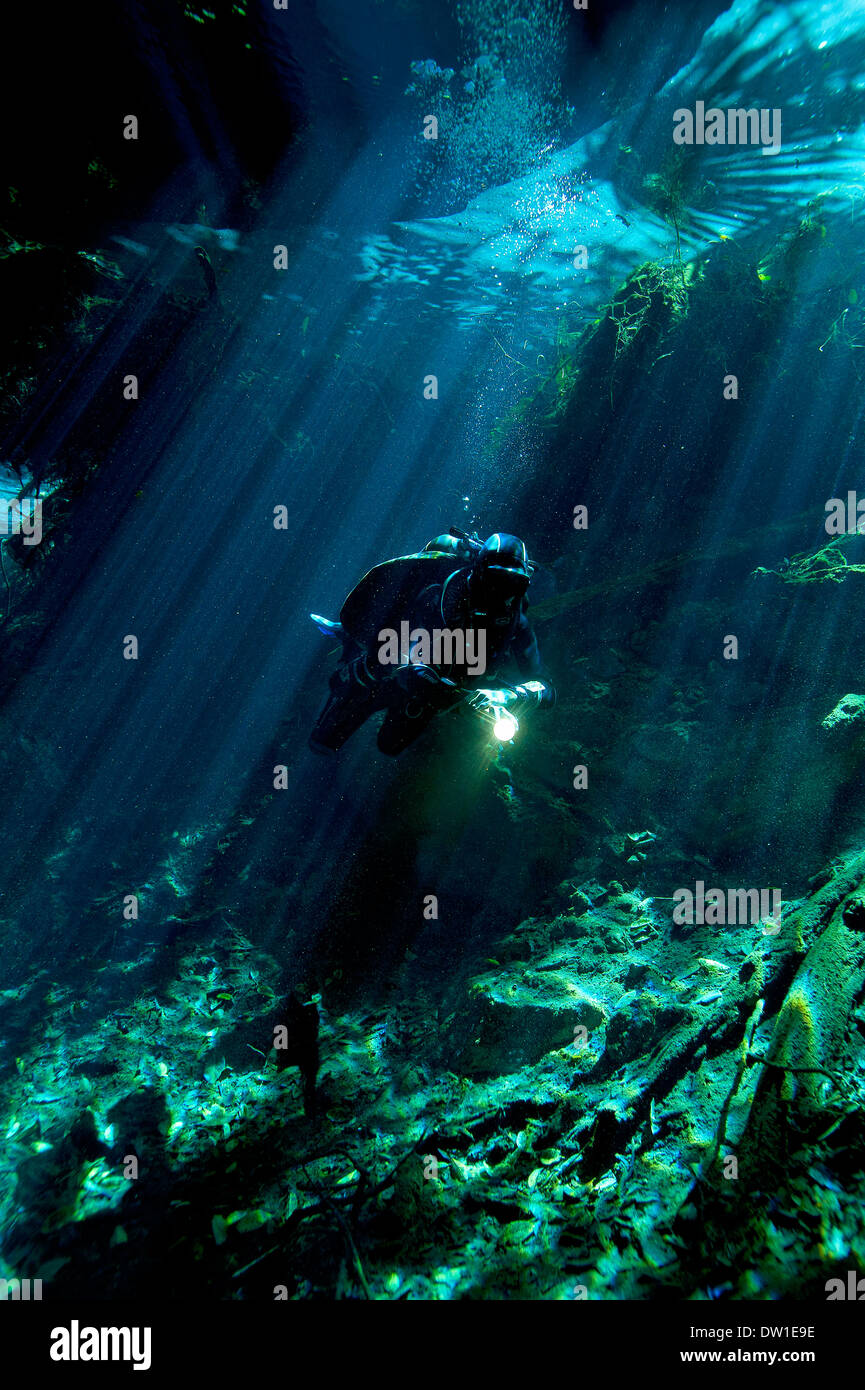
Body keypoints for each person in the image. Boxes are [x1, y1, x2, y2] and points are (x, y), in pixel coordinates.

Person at [308, 530, 555, 756]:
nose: (501, 592)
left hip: (433, 696)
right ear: (477, 570)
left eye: (514, 584)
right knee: (323, 742)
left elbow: (546, 689)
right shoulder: (439, 588)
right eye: (494, 579)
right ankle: (350, 666)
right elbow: (388, 629)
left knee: (390, 745)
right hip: (387, 675)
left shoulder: (514, 618)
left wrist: (508, 696)